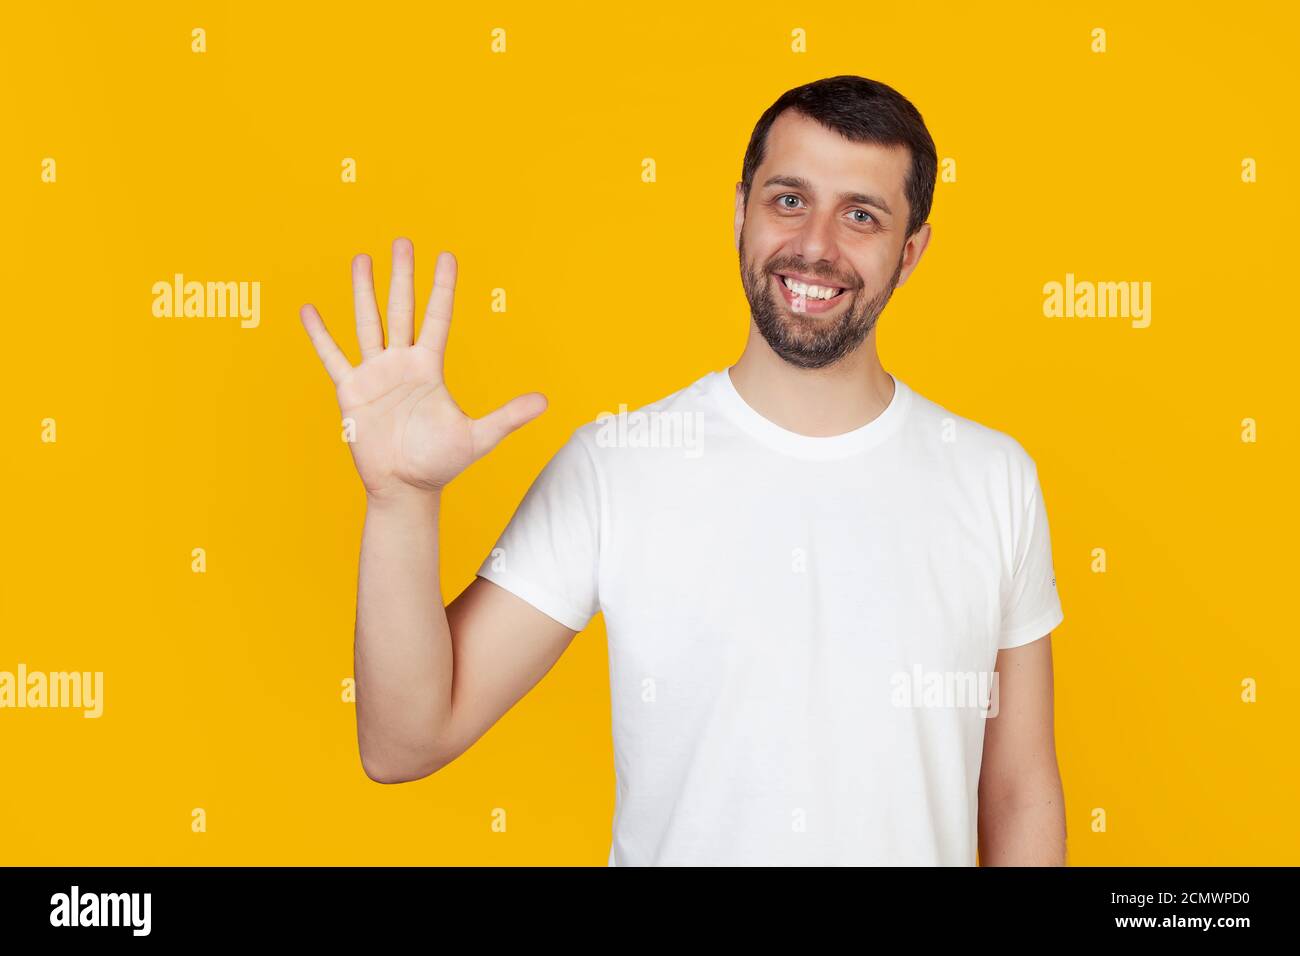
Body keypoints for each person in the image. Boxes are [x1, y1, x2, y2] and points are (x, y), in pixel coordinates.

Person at [299, 75, 1067, 866]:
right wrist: (401, 502)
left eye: (861, 215)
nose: (817, 247)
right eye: (789, 200)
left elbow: (1017, 793)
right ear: (741, 211)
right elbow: (403, 743)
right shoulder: (618, 468)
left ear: (910, 253)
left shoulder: (992, 478)